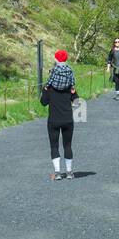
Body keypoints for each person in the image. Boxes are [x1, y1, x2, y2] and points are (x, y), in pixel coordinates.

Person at [39, 49, 78, 180]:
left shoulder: (50, 86)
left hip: (53, 119)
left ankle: (57, 173)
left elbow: (43, 102)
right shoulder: (70, 86)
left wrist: (44, 90)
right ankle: (69, 172)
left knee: (54, 145)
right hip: (67, 119)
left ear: (56, 60)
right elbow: (77, 101)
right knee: (67, 145)